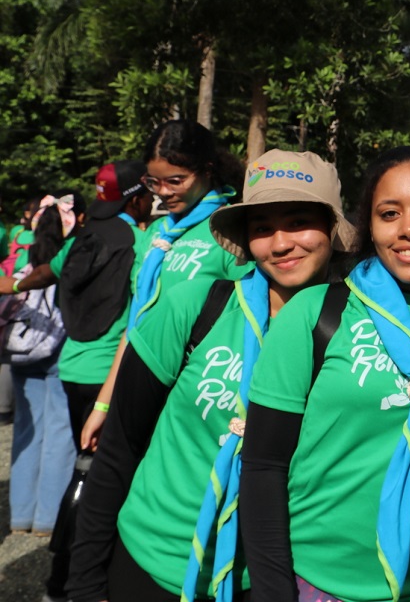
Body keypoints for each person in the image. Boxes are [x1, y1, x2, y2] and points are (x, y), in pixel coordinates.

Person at [67, 150, 351, 602]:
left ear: (333, 229)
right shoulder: (196, 307)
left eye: (299, 221)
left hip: (263, 578)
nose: (281, 244)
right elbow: (119, 450)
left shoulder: (352, 333)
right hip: (150, 563)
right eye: (261, 228)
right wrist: (83, 585)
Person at [242, 146, 410, 602]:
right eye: (389, 214)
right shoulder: (314, 315)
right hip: (325, 584)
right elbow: (263, 466)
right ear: (369, 227)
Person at [0, 162, 155, 600]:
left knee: (82, 468)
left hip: (72, 366)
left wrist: (13, 286)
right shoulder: (142, 242)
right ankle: (71, 576)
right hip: (109, 375)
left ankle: (62, 570)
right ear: (137, 197)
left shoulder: (84, 236)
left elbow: (49, 271)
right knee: (101, 477)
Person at [80, 119, 247, 451]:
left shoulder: (231, 230)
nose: (163, 192)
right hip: (136, 386)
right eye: (153, 182)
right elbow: (136, 325)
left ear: (207, 170)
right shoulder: (156, 234)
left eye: (175, 180)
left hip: (191, 396)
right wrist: (104, 404)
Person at [7, 194, 82, 543]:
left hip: (22, 354)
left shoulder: (23, 259)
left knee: (26, 431)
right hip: (57, 354)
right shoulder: (67, 263)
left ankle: (21, 514)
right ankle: (48, 519)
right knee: (59, 435)